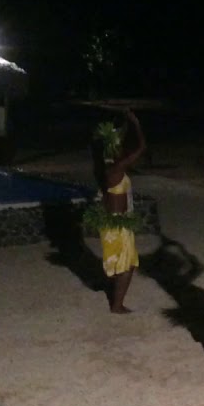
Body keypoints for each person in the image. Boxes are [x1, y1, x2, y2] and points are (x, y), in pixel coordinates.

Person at [87, 109, 146, 314]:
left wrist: (126, 124)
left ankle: (116, 300)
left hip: (116, 223)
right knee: (127, 266)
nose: (122, 148)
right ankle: (117, 305)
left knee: (124, 265)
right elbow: (141, 148)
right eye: (120, 146)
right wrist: (137, 125)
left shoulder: (107, 168)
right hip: (117, 226)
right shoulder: (116, 169)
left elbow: (118, 142)